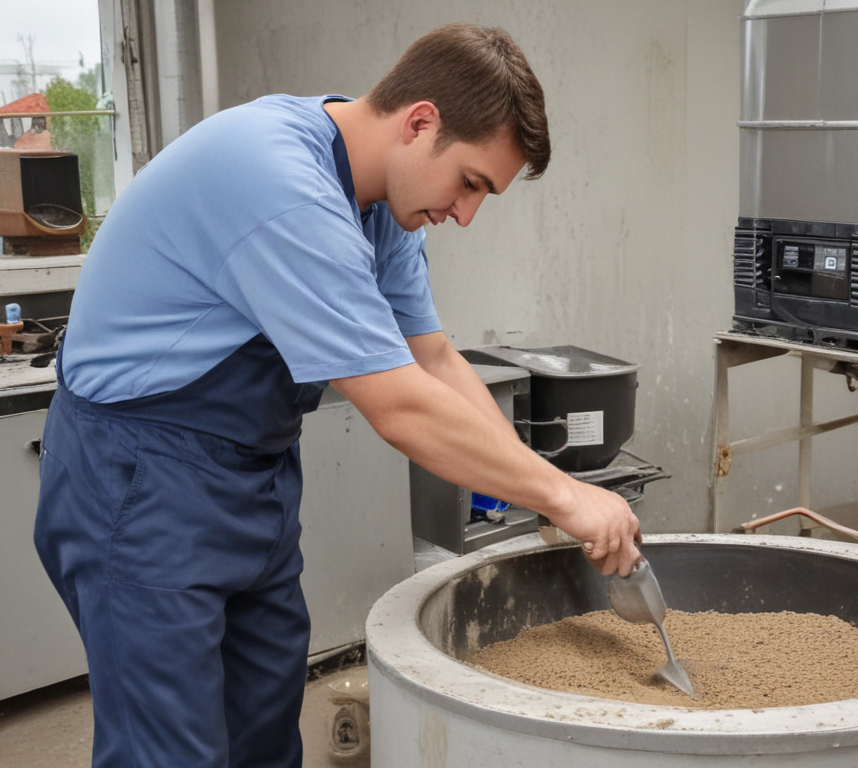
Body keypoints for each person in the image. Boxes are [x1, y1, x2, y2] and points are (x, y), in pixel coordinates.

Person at [33, 22, 641, 768]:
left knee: (263, 729)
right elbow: (401, 409)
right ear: (421, 122)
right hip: (138, 480)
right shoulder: (280, 183)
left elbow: (436, 362)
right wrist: (564, 497)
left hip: (249, 477)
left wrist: (552, 489)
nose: (467, 214)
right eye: (472, 183)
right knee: (168, 752)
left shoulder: (384, 203)